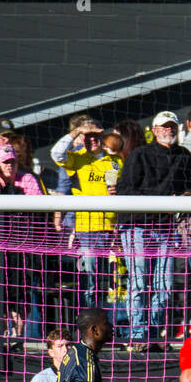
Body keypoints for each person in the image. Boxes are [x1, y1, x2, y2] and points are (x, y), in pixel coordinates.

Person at [118, 109, 191, 353]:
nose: (169, 129)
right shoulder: (139, 155)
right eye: (164, 126)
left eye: (172, 125)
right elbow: (125, 190)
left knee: (164, 284)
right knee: (139, 282)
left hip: (166, 227)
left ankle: (151, 334)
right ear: (153, 130)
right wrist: (165, 198)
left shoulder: (184, 156)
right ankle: (139, 335)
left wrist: (181, 198)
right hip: (137, 225)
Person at [0, 144, 44, 348]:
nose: (10, 166)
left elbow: (38, 203)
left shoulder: (27, 179)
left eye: (12, 161)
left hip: (20, 247)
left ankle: (17, 337)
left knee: (18, 295)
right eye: (5, 163)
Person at [52, 119, 122, 316]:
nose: (93, 140)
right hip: (87, 228)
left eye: (96, 135)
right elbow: (56, 153)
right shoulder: (77, 158)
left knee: (104, 281)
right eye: (88, 136)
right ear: (82, 137)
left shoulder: (115, 161)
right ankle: (86, 323)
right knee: (89, 280)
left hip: (111, 229)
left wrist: (119, 191)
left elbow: (124, 189)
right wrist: (76, 132)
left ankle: (100, 323)